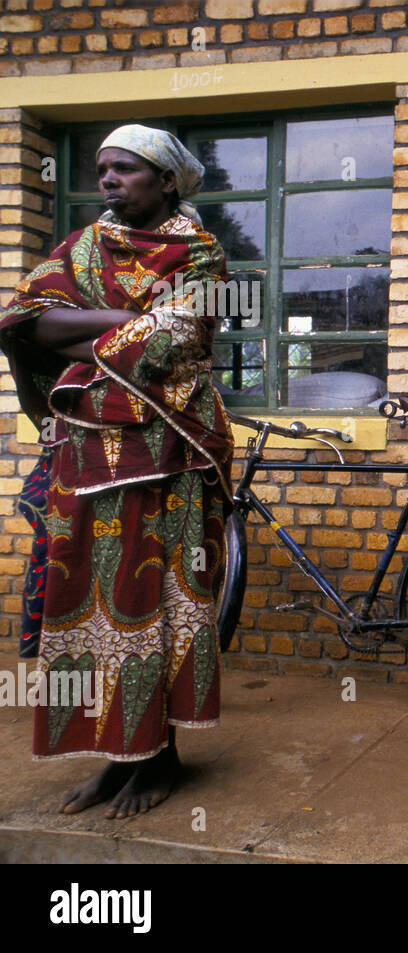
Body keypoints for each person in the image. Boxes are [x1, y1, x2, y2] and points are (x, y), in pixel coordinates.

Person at [0, 124, 233, 818]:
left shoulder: (202, 254)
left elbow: (177, 338)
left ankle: (160, 758)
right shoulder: (82, 248)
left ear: (166, 181)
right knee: (92, 607)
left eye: (125, 169)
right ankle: (117, 754)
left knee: (156, 608)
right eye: (102, 169)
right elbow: (21, 319)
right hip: (85, 455)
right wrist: (126, 318)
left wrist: (82, 325)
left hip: (172, 455)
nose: (107, 180)